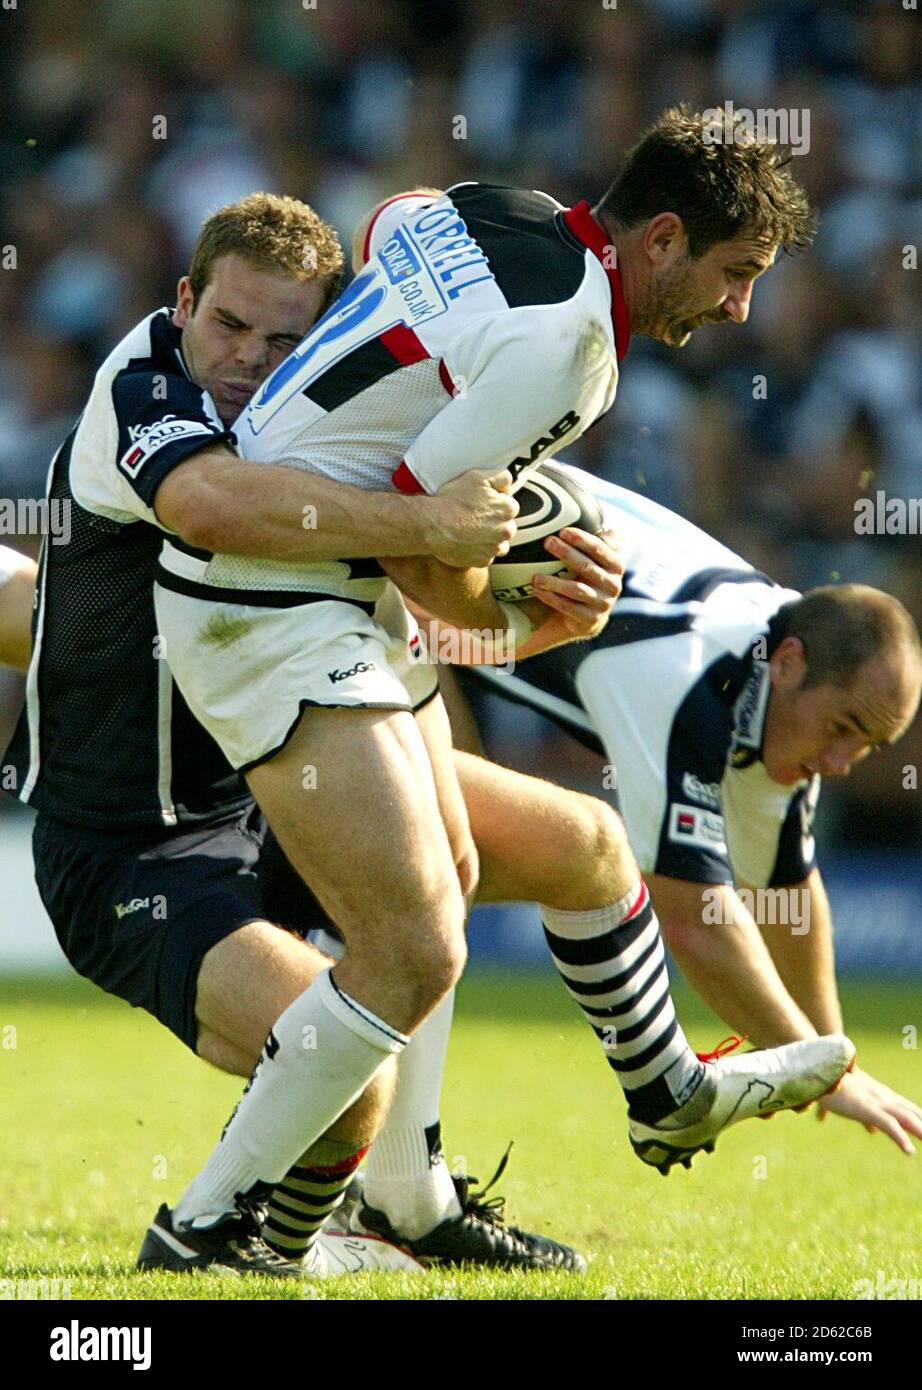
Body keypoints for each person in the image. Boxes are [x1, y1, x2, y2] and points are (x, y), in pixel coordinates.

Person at [147, 105, 852, 1267]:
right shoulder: (574, 349)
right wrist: (534, 613)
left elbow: (388, 226)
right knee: (412, 940)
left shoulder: (495, 206)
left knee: (471, 876)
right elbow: (430, 548)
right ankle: (211, 1225)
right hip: (269, 599)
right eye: (735, 275)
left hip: (304, 578)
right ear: (664, 238)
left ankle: (413, 1192)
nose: (739, 308)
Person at [4, 192, 572, 1277]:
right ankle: (276, 1236)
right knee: (350, 1070)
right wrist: (426, 524)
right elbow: (211, 506)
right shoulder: (146, 384)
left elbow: (428, 606)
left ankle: (423, 1195)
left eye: (284, 340)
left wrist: (540, 618)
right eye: (228, 326)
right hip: (130, 844)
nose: (248, 360)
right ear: (184, 302)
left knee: (575, 851)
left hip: (267, 802)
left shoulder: (324, 412)